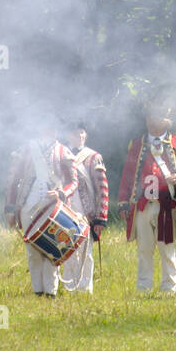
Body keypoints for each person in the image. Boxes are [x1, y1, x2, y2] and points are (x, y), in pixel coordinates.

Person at [116, 100, 176, 293]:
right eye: (149, 117)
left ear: (166, 121)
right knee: (144, 249)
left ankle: (170, 288)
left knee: (167, 248)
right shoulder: (137, 144)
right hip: (142, 205)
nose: (151, 121)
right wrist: (123, 203)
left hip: (168, 204)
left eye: (156, 117)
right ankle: (143, 286)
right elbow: (128, 174)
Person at [5, 123, 80, 297]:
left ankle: (51, 292)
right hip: (27, 206)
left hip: (53, 207)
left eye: (53, 127)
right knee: (32, 251)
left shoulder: (63, 151)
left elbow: (73, 181)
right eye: (46, 126)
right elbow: (12, 180)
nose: (49, 130)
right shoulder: (26, 150)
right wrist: (9, 209)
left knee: (52, 249)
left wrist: (61, 193)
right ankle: (37, 291)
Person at [59, 122, 107, 294]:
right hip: (65, 209)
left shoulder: (93, 157)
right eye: (76, 133)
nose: (80, 136)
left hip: (86, 211)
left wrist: (101, 216)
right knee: (67, 249)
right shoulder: (60, 153)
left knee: (86, 252)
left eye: (82, 133)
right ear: (68, 135)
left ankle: (85, 288)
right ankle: (70, 287)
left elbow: (102, 187)